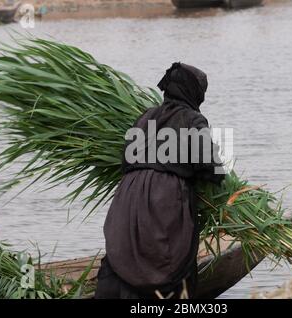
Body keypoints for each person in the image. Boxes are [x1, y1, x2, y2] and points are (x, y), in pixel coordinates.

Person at [94, 62, 224, 299]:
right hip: (164, 201)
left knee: (124, 249)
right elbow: (212, 170)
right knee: (170, 258)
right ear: (193, 92)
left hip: (127, 199)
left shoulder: (145, 117)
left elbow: (126, 160)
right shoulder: (194, 120)